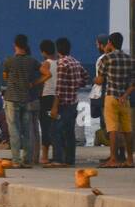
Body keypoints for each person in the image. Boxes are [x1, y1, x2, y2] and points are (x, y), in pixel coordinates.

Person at [2, 34, 42, 168]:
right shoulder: (32, 61)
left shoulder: (9, 61)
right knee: (27, 130)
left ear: (15, 45)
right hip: (26, 98)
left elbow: (5, 76)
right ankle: (27, 159)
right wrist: (34, 83)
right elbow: (47, 73)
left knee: (14, 131)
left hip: (12, 98)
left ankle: (16, 160)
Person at [95, 32, 133, 167]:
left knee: (112, 130)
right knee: (127, 130)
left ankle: (113, 159)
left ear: (110, 42)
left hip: (111, 96)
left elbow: (99, 81)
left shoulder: (107, 58)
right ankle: (129, 160)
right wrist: (125, 95)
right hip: (124, 99)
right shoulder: (130, 59)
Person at [50, 37, 87, 166]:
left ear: (57, 49)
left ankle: (58, 159)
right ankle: (70, 159)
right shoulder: (76, 62)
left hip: (63, 104)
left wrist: (54, 107)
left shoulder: (62, 63)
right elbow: (85, 77)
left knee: (56, 131)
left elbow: (59, 88)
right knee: (70, 133)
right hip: (74, 102)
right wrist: (75, 84)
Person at [38, 39, 58, 163]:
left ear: (44, 52)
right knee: (55, 126)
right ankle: (57, 153)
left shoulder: (45, 64)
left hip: (46, 97)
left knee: (45, 126)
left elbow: (44, 78)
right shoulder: (60, 63)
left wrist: (34, 84)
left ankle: (44, 156)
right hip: (57, 97)